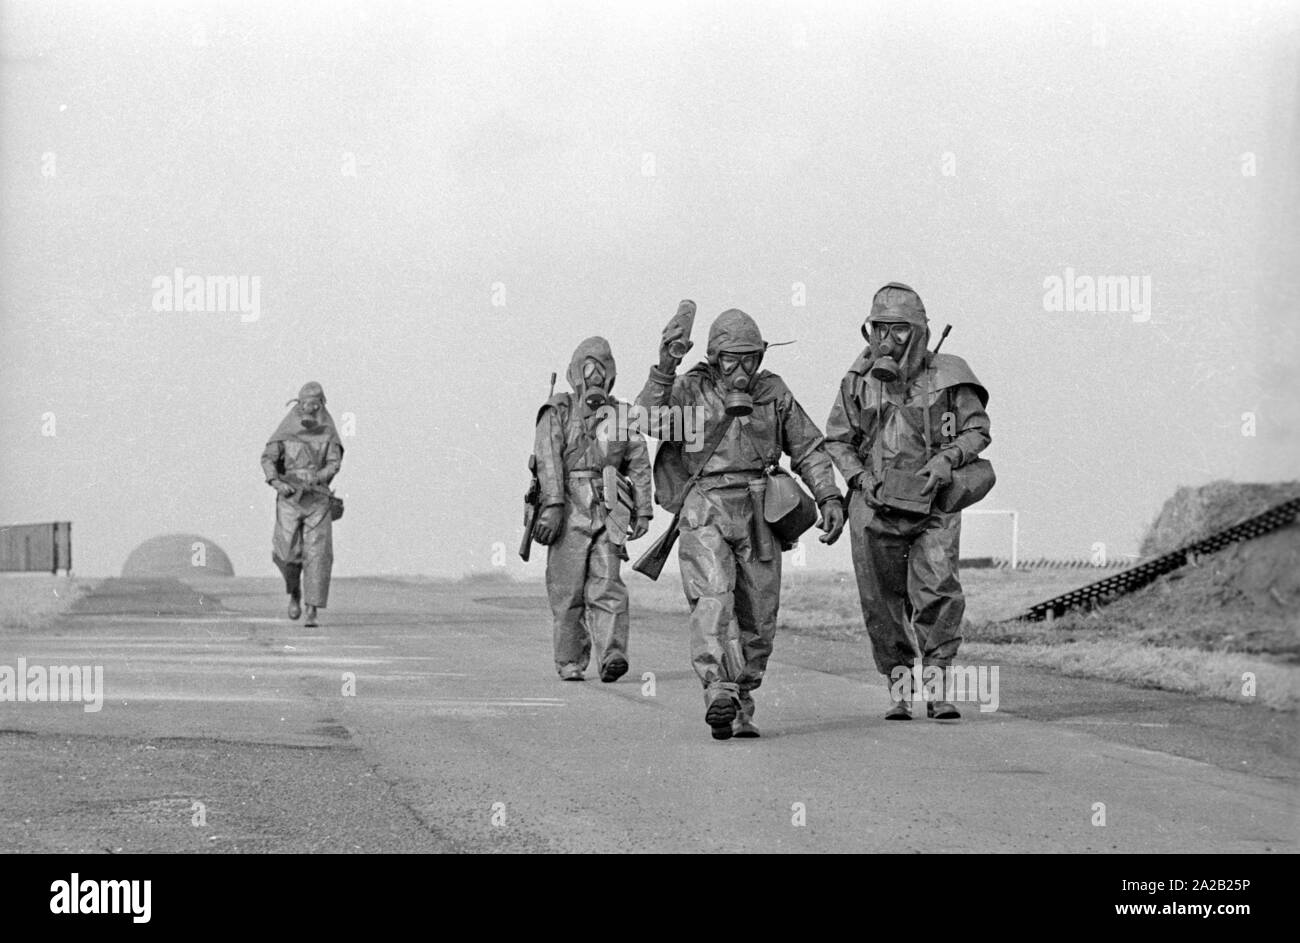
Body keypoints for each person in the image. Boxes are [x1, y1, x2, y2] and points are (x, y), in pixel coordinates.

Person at [636, 306, 844, 740]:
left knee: (759, 616)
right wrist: (665, 366)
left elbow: (808, 447)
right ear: (715, 357)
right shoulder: (690, 389)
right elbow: (646, 420)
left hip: (760, 510)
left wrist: (828, 495)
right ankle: (718, 688)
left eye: (750, 359)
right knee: (713, 599)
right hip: (705, 507)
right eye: (731, 359)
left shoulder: (773, 392)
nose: (741, 370)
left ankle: (740, 703)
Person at [824, 283, 991, 720]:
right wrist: (859, 478)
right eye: (880, 329)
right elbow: (837, 439)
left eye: (899, 329)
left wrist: (948, 459)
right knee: (881, 602)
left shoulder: (950, 376)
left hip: (933, 502)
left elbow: (977, 429)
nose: (888, 340)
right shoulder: (858, 380)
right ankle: (899, 690)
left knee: (939, 592)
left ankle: (937, 689)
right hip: (875, 503)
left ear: (919, 331)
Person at [532, 337, 652, 682]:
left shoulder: (622, 416)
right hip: (567, 508)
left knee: (608, 584)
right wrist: (553, 506)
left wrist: (643, 509)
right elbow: (548, 461)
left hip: (609, 507)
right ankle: (570, 660)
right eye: (587, 368)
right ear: (574, 372)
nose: (594, 376)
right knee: (567, 590)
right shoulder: (557, 411)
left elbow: (638, 463)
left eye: (601, 368)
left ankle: (612, 654)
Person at [260, 381, 343, 628]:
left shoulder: (329, 432)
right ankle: (295, 593)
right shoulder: (285, 431)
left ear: (321, 404)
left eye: (315, 403)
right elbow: (268, 458)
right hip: (290, 498)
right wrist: (277, 482)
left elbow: (334, 462)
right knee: (287, 552)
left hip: (317, 499)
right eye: (306, 403)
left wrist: (318, 477)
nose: (310, 408)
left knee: (317, 554)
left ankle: (311, 608)